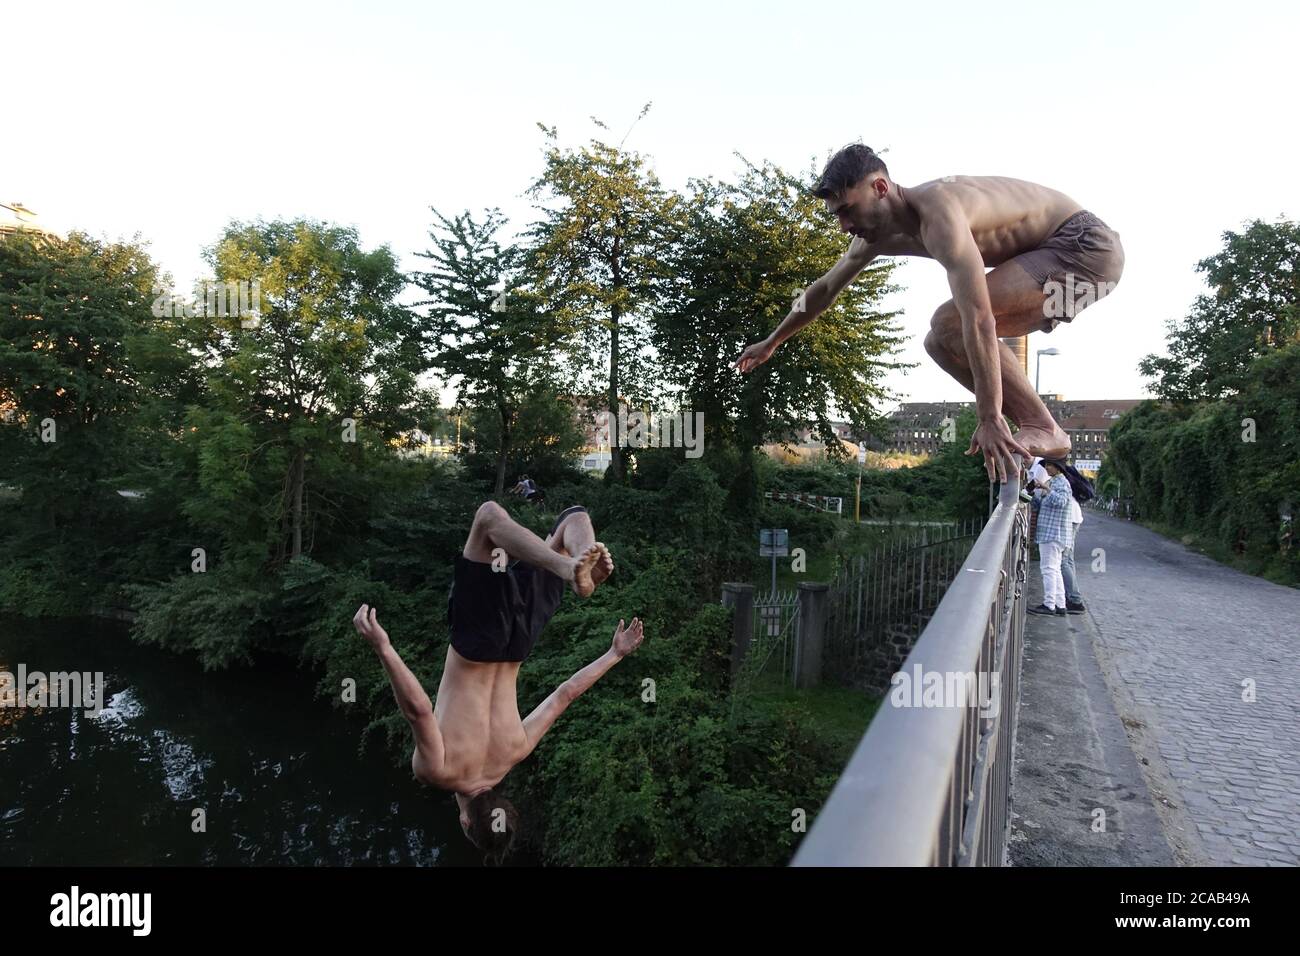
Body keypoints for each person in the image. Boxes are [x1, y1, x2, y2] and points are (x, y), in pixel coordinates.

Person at [737, 144, 1124, 485]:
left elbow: (980, 320)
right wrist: (774, 340)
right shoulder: (871, 239)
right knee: (939, 342)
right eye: (837, 216)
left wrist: (988, 418)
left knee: (952, 324)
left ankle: (1042, 426)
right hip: (1059, 257)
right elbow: (823, 290)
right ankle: (1039, 427)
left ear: (881, 188)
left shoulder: (939, 212)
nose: (845, 226)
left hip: (1086, 248)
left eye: (848, 211)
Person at [352, 502, 632, 865]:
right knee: (487, 519)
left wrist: (615, 653)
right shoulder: (438, 771)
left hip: (518, 644)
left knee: (574, 518)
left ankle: (577, 564)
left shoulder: (516, 751)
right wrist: (383, 647)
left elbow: (566, 693)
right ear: (465, 821)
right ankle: (569, 569)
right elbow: (418, 711)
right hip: (478, 642)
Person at [1028, 458, 1073, 616]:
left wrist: (1046, 488)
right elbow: (1041, 505)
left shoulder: (1061, 483)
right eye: (1045, 465)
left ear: (1058, 467)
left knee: (1048, 569)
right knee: (1055, 570)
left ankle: (1049, 605)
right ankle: (1060, 605)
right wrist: (1032, 494)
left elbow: (1061, 501)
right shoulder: (1054, 482)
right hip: (1053, 533)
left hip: (1053, 533)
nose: (1046, 468)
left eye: (1049, 465)